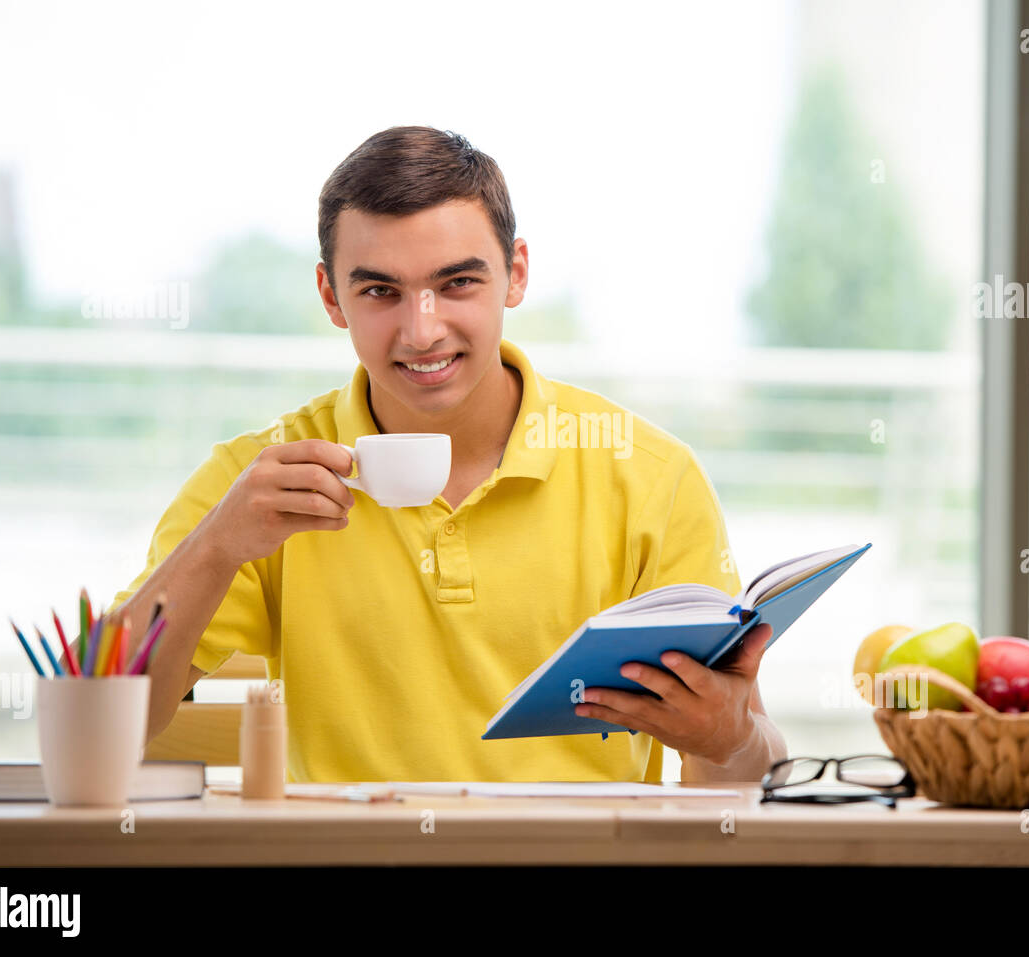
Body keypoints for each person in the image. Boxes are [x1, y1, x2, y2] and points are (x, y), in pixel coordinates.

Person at [108, 126, 786, 783]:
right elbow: (104, 725)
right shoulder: (259, 483)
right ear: (330, 296)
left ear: (515, 274)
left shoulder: (650, 478)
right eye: (380, 291)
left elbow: (743, 777)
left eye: (458, 283)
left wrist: (730, 739)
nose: (421, 329)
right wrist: (217, 546)